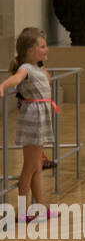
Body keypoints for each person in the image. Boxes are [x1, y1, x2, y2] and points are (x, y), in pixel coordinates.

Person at [0, 28, 55, 221]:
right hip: (33, 122)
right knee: (29, 168)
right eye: (42, 46)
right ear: (30, 51)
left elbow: (46, 80)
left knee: (37, 167)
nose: (46, 49)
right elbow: (15, 79)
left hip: (39, 120)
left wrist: (42, 63)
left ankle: (39, 208)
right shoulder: (26, 68)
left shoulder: (37, 68)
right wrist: (2, 86)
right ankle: (23, 212)